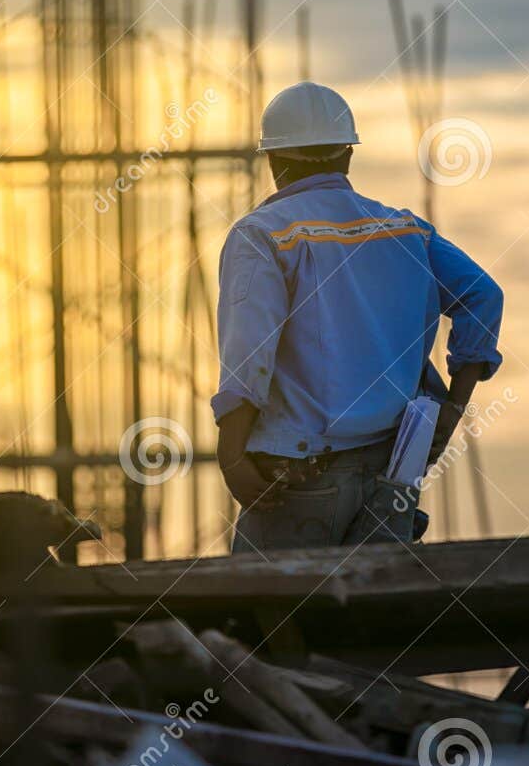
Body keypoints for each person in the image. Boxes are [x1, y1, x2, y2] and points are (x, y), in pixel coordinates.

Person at [211, 81, 503, 554]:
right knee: (366, 623)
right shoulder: (405, 229)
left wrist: (232, 453)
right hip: (393, 475)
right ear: (347, 156)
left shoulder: (263, 236)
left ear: (273, 161)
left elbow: (249, 354)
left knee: (265, 620)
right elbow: (483, 295)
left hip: (300, 480)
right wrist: (451, 409)